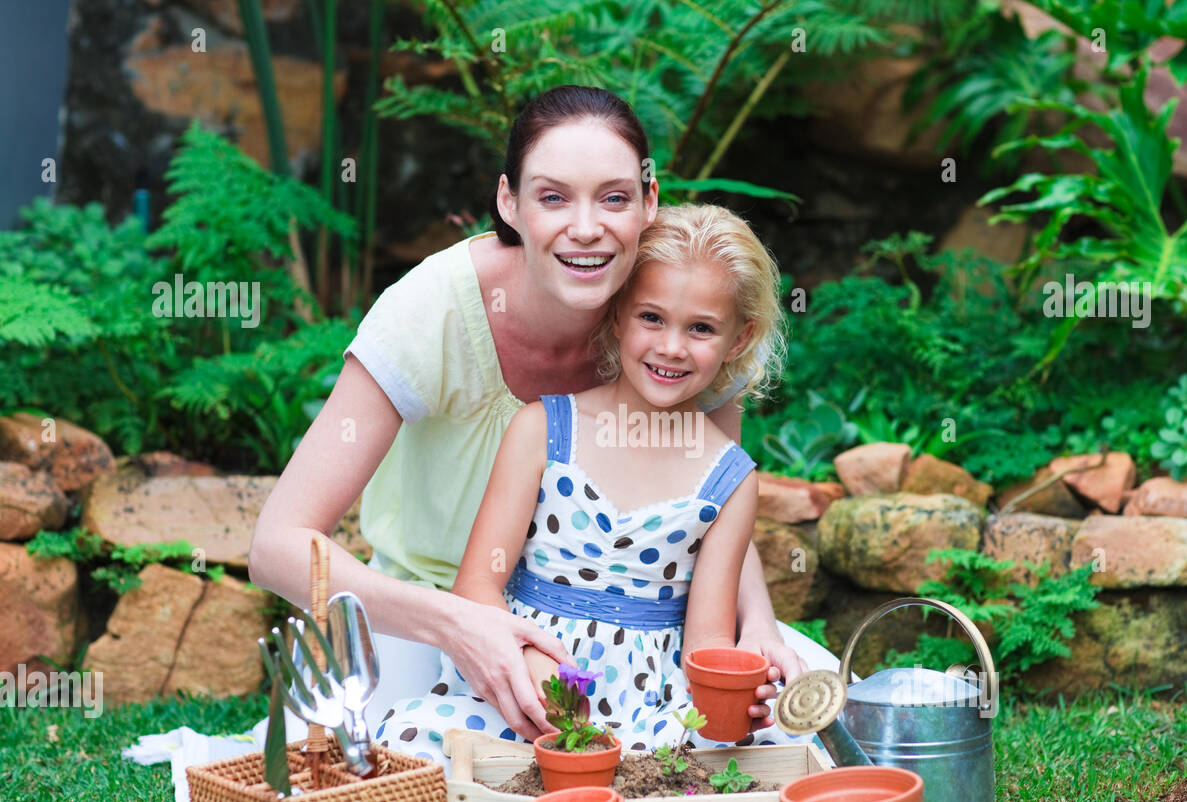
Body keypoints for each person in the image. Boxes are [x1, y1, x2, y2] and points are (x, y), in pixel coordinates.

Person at [248, 85, 840, 753]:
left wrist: (755, 624)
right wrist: (463, 625)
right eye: (553, 196)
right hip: (421, 614)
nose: (586, 228)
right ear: (509, 202)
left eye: (614, 197)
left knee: (801, 710)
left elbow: (705, 509)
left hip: (643, 642)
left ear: (649, 201)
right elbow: (275, 547)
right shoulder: (432, 310)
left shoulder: (679, 310)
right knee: (367, 766)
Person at [376, 204, 822, 762]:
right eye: (651, 318)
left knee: (771, 746)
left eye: (701, 328)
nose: (671, 347)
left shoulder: (729, 478)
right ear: (616, 316)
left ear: (738, 339)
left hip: (651, 709)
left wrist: (731, 693)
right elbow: (477, 589)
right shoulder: (543, 429)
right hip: (523, 688)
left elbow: (706, 641)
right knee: (408, 733)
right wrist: (544, 683)